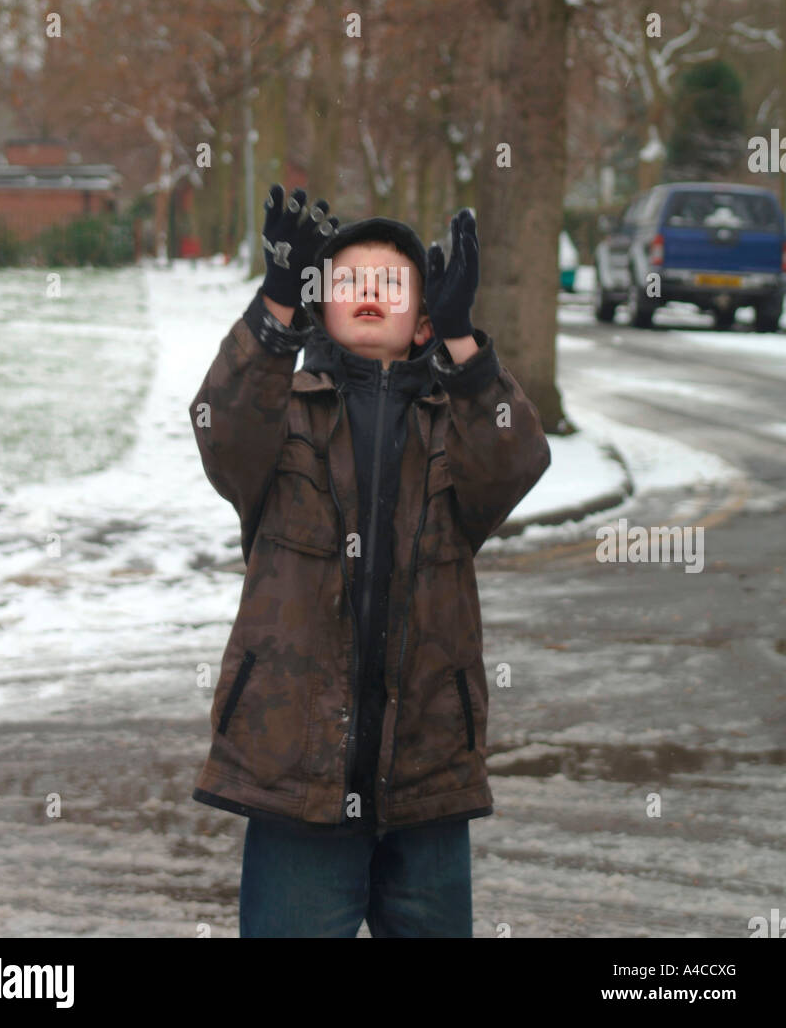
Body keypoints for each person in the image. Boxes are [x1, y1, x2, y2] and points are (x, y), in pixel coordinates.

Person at [188, 186, 550, 937]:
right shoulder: (280, 412)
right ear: (322, 307)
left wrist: (464, 346)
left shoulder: (457, 421)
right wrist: (275, 304)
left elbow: (516, 462)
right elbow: (220, 430)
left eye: (390, 284)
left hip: (426, 773)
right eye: (345, 282)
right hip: (296, 772)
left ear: (422, 317)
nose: (366, 294)